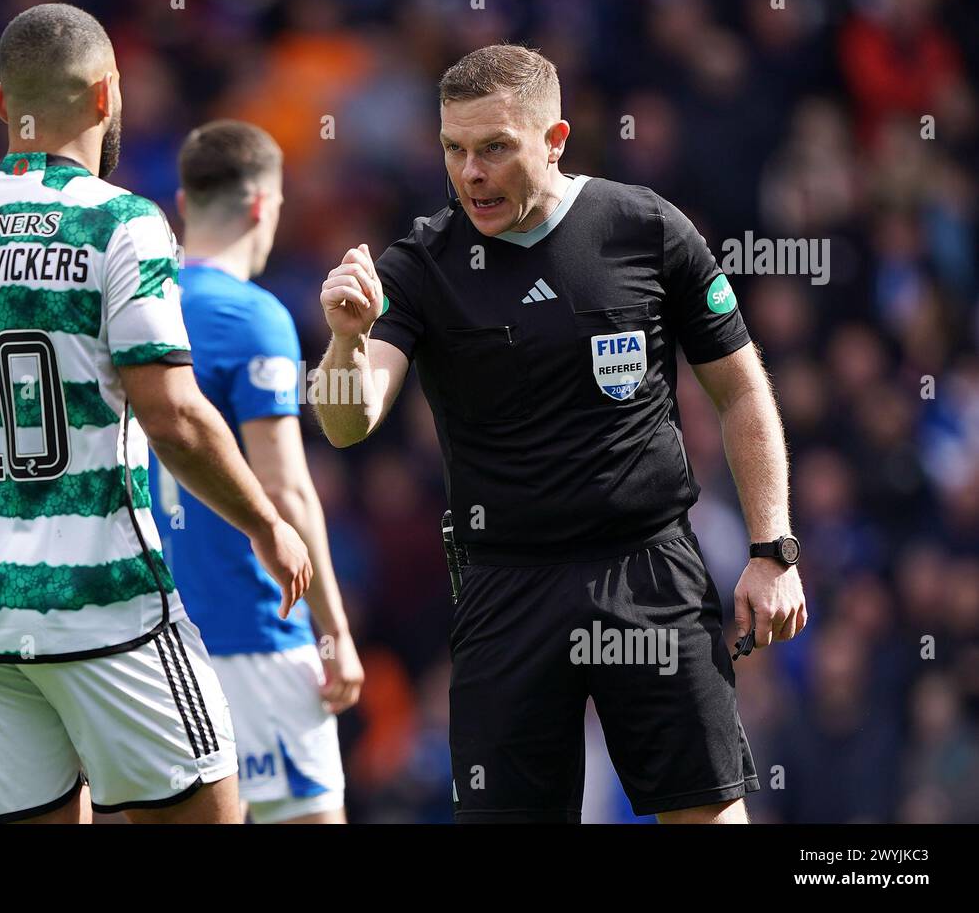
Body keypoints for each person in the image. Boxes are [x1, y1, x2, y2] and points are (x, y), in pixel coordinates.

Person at [312, 44, 807, 824]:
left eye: (495, 148)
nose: (470, 173)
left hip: (648, 571)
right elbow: (348, 421)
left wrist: (771, 547)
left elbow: (741, 390)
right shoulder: (420, 262)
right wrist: (344, 339)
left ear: (556, 139)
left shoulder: (645, 228)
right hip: (505, 587)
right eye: (454, 149)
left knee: (707, 816)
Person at [0, 3, 311, 824]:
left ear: (0, 103)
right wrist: (267, 523)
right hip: (103, 602)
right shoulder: (122, 224)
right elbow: (173, 416)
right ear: (107, 97)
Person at [148, 120, 363, 824]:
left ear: (184, 202)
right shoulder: (251, 317)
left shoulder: (134, 309)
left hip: (153, 644)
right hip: (252, 627)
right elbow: (286, 489)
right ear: (263, 206)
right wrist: (332, 632)